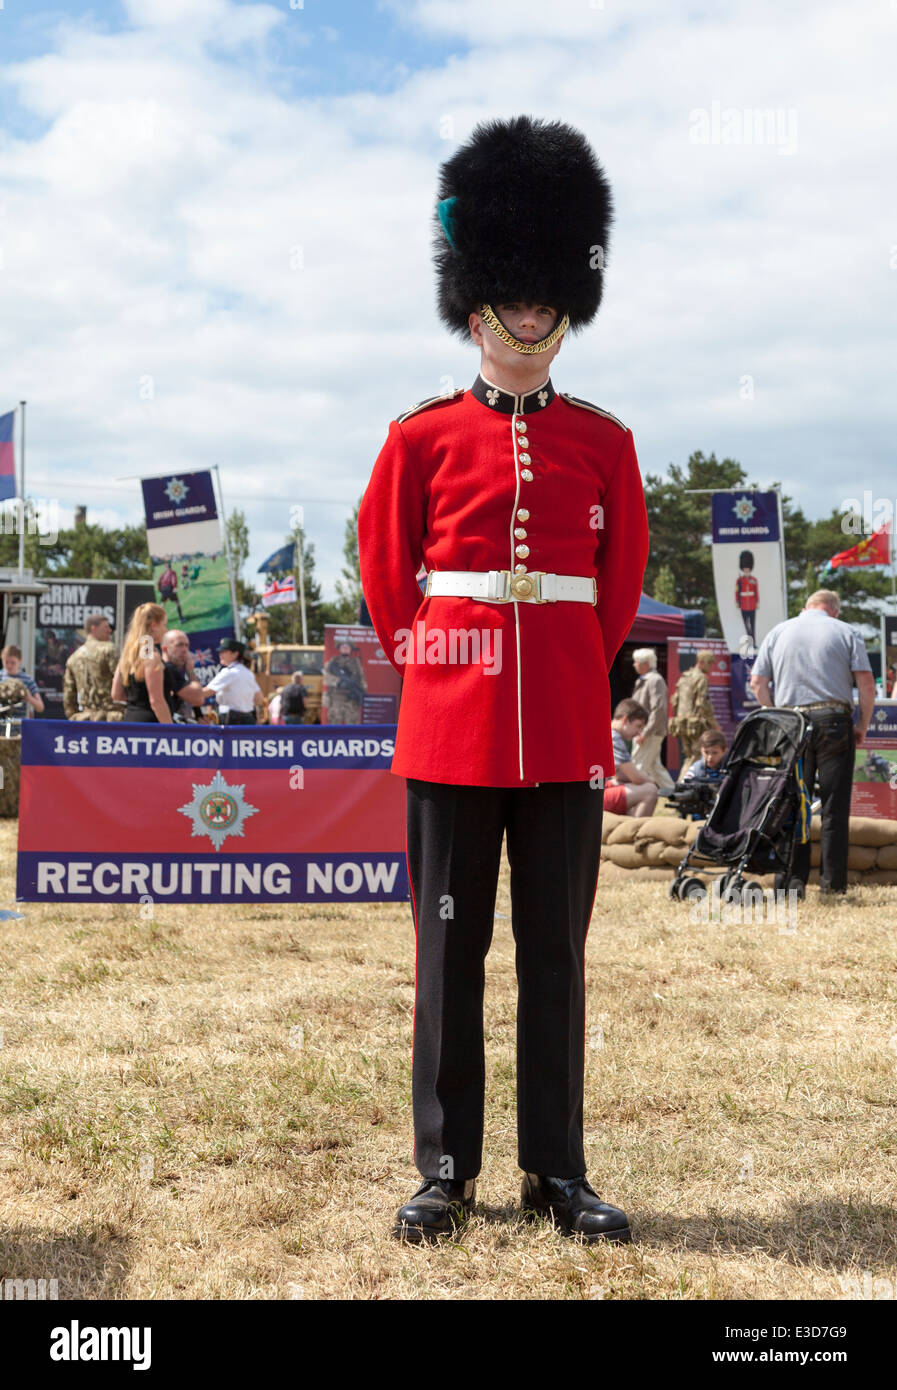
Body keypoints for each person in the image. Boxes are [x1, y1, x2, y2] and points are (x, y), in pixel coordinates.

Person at [358, 117, 649, 1245]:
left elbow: (613, 594)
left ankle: (557, 1169)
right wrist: (448, 675)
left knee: (556, 959)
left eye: (544, 305)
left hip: (565, 731)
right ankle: (445, 1166)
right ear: (475, 305)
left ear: (564, 307)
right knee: (448, 948)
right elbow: (393, 589)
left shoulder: (604, 443)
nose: (528, 322)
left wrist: (564, 671)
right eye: (510, 304)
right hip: (451, 731)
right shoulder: (418, 438)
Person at [749, 588, 874, 895]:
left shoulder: (778, 631)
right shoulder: (846, 631)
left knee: (792, 804)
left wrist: (775, 715)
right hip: (833, 720)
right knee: (833, 805)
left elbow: (757, 683)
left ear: (807, 607)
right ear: (834, 610)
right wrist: (862, 724)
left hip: (792, 724)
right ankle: (832, 886)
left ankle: (791, 883)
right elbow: (867, 684)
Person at [111, 603, 175, 723]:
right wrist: (171, 732)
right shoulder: (151, 657)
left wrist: (137, 700)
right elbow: (156, 701)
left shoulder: (127, 656)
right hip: (151, 724)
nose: (165, 630)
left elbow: (116, 694)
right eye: (164, 625)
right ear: (153, 626)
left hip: (130, 720)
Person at [63, 612, 125, 721]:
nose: (109, 631)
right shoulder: (109, 649)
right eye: (105, 627)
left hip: (86, 718)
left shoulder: (73, 658)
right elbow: (122, 680)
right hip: (113, 717)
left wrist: (73, 716)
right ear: (93, 628)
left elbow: (69, 695)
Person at [605, 699, 659, 818]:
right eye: (638, 726)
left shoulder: (606, 731)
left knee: (626, 784)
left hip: (594, 790)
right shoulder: (614, 737)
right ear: (625, 720)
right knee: (650, 791)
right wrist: (653, 782)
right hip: (596, 796)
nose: (639, 733)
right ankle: (633, 833)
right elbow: (636, 777)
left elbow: (619, 775)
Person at [630, 647, 674, 792]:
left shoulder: (655, 680)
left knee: (638, 765)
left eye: (636, 662)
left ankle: (636, 798)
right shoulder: (645, 679)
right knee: (655, 767)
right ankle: (673, 793)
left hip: (649, 732)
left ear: (645, 664)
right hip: (645, 731)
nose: (634, 665)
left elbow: (659, 709)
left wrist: (645, 733)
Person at [670, 650, 720, 774]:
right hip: (695, 726)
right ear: (701, 662)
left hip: (681, 723)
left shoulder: (684, 677)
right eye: (709, 663)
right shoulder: (701, 678)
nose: (711, 667)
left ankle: (682, 785)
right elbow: (702, 703)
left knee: (689, 758)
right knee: (695, 758)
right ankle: (683, 785)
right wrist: (714, 724)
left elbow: (675, 701)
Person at [202, 638, 264, 725]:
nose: (220, 654)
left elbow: (207, 692)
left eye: (224, 652)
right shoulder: (248, 673)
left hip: (230, 720)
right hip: (248, 719)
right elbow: (259, 698)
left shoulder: (229, 672)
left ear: (235, 654)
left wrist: (186, 693)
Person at [161, 629, 206, 721]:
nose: (185, 650)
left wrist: (199, 717)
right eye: (179, 645)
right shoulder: (167, 669)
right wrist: (190, 671)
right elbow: (199, 698)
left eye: (187, 645)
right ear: (165, 649)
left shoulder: (175, 671)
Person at [322, 641, 366, 724]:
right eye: (343, 647)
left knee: (352, 726)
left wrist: (361, 691)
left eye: (347, 647)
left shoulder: (356, 662)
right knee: (334, 725)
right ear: (339, 649)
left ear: (351, 649)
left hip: (351, 701)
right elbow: (326, 677)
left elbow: (361, 678)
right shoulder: (333, 662)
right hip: (336, 699)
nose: (345, 649)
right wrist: (338, 682)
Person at [0, 644, 44, 718]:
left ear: (20, 660)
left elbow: (40, 707)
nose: (9, 666)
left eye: (13, 662)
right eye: (6, 662)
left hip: (19, 726)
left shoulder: (27, 680)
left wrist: (29, 698)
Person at [735, 549, 758, 644]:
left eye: (748, 568)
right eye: (745, 568)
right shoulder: (739, 580)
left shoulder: (754, 580)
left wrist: (757, 602)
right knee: (746, 625)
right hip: (743, 605)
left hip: (752, 604)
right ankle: (750, 641)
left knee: (752, 625)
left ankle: (754, 642)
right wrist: (737, 601)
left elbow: (756, 591)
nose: (746, 570)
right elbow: (737, 592)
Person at [157, 556, 184, 621]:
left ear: (165, 567)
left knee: (162, 605)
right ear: (171, 566)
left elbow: (159, 582)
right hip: (170, 589)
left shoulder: (163, 574)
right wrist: (175, 587)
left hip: (163, 589)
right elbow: (174, 580)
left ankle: (158, 619)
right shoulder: (172, 572)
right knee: (177, 603)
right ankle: (181, 618)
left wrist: (160, 590)